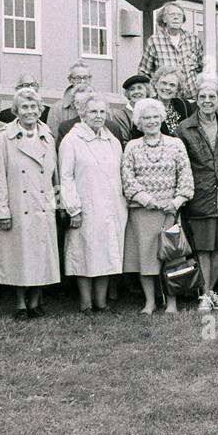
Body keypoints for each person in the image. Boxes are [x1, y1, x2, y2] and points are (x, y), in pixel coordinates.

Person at [0, 86, 60, 320]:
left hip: (43, 205)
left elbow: (54, 175)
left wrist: (57, 204)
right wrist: (2, 210)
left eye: (33, 107)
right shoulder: (5, 137)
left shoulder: (48, 136)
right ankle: (20, 303)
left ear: (40, 110)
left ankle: (35, 301)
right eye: (24, 107)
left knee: (41, 254)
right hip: (18, 205)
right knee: (19, 255)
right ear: (16, 111)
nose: (29, 111)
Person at [121, 97, 194, 314]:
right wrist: (146, 200)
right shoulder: (132, 146)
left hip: (169, 211)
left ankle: (171, 302)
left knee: (172, 258)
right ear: (139, 122)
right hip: (143, 212)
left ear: (162, 119)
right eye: (146, 118)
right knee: (145, 258)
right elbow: (127, 178)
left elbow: (186, 176)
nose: (151, 121)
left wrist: (177, 201)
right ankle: (150, 302)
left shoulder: (176, 144)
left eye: (155, 117)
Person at [59, 94, 127, 313]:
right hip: (85, 206)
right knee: (84, 252)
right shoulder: (72, 140)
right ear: (82, 114)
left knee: (106, 253)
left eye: (102, 112)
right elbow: (65, 177)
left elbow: (119, 174)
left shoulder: (112, 141)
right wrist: (73, 209)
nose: (98, 116)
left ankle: (101, 301)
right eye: (93, 112)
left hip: (111, 206)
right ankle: (86, 302)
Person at [177, 76, 218, 312]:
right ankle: (204, 295)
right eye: (202, 96)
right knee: (203, 248)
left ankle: (209, 292)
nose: (207, 101)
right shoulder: (185, 128)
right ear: (196, 99)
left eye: (212, 97)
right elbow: (181, 164)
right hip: (200, 195)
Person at [139, 1, 203, 99]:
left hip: (191, 97)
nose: (176, 17)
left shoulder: (193, 39)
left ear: (183, 19)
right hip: (165, 99)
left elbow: (201, 68)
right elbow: (143, 73)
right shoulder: (154, 41)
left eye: (179, 15)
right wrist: (152, 94)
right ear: (164, 19)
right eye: (172, 14)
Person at [151, 64, 194, 137]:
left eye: (172, 85)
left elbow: (192, 132)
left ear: (177, 89)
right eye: (164, 83)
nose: (167, 88)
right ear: (156, 85)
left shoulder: (184, 105)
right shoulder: (147, 106)